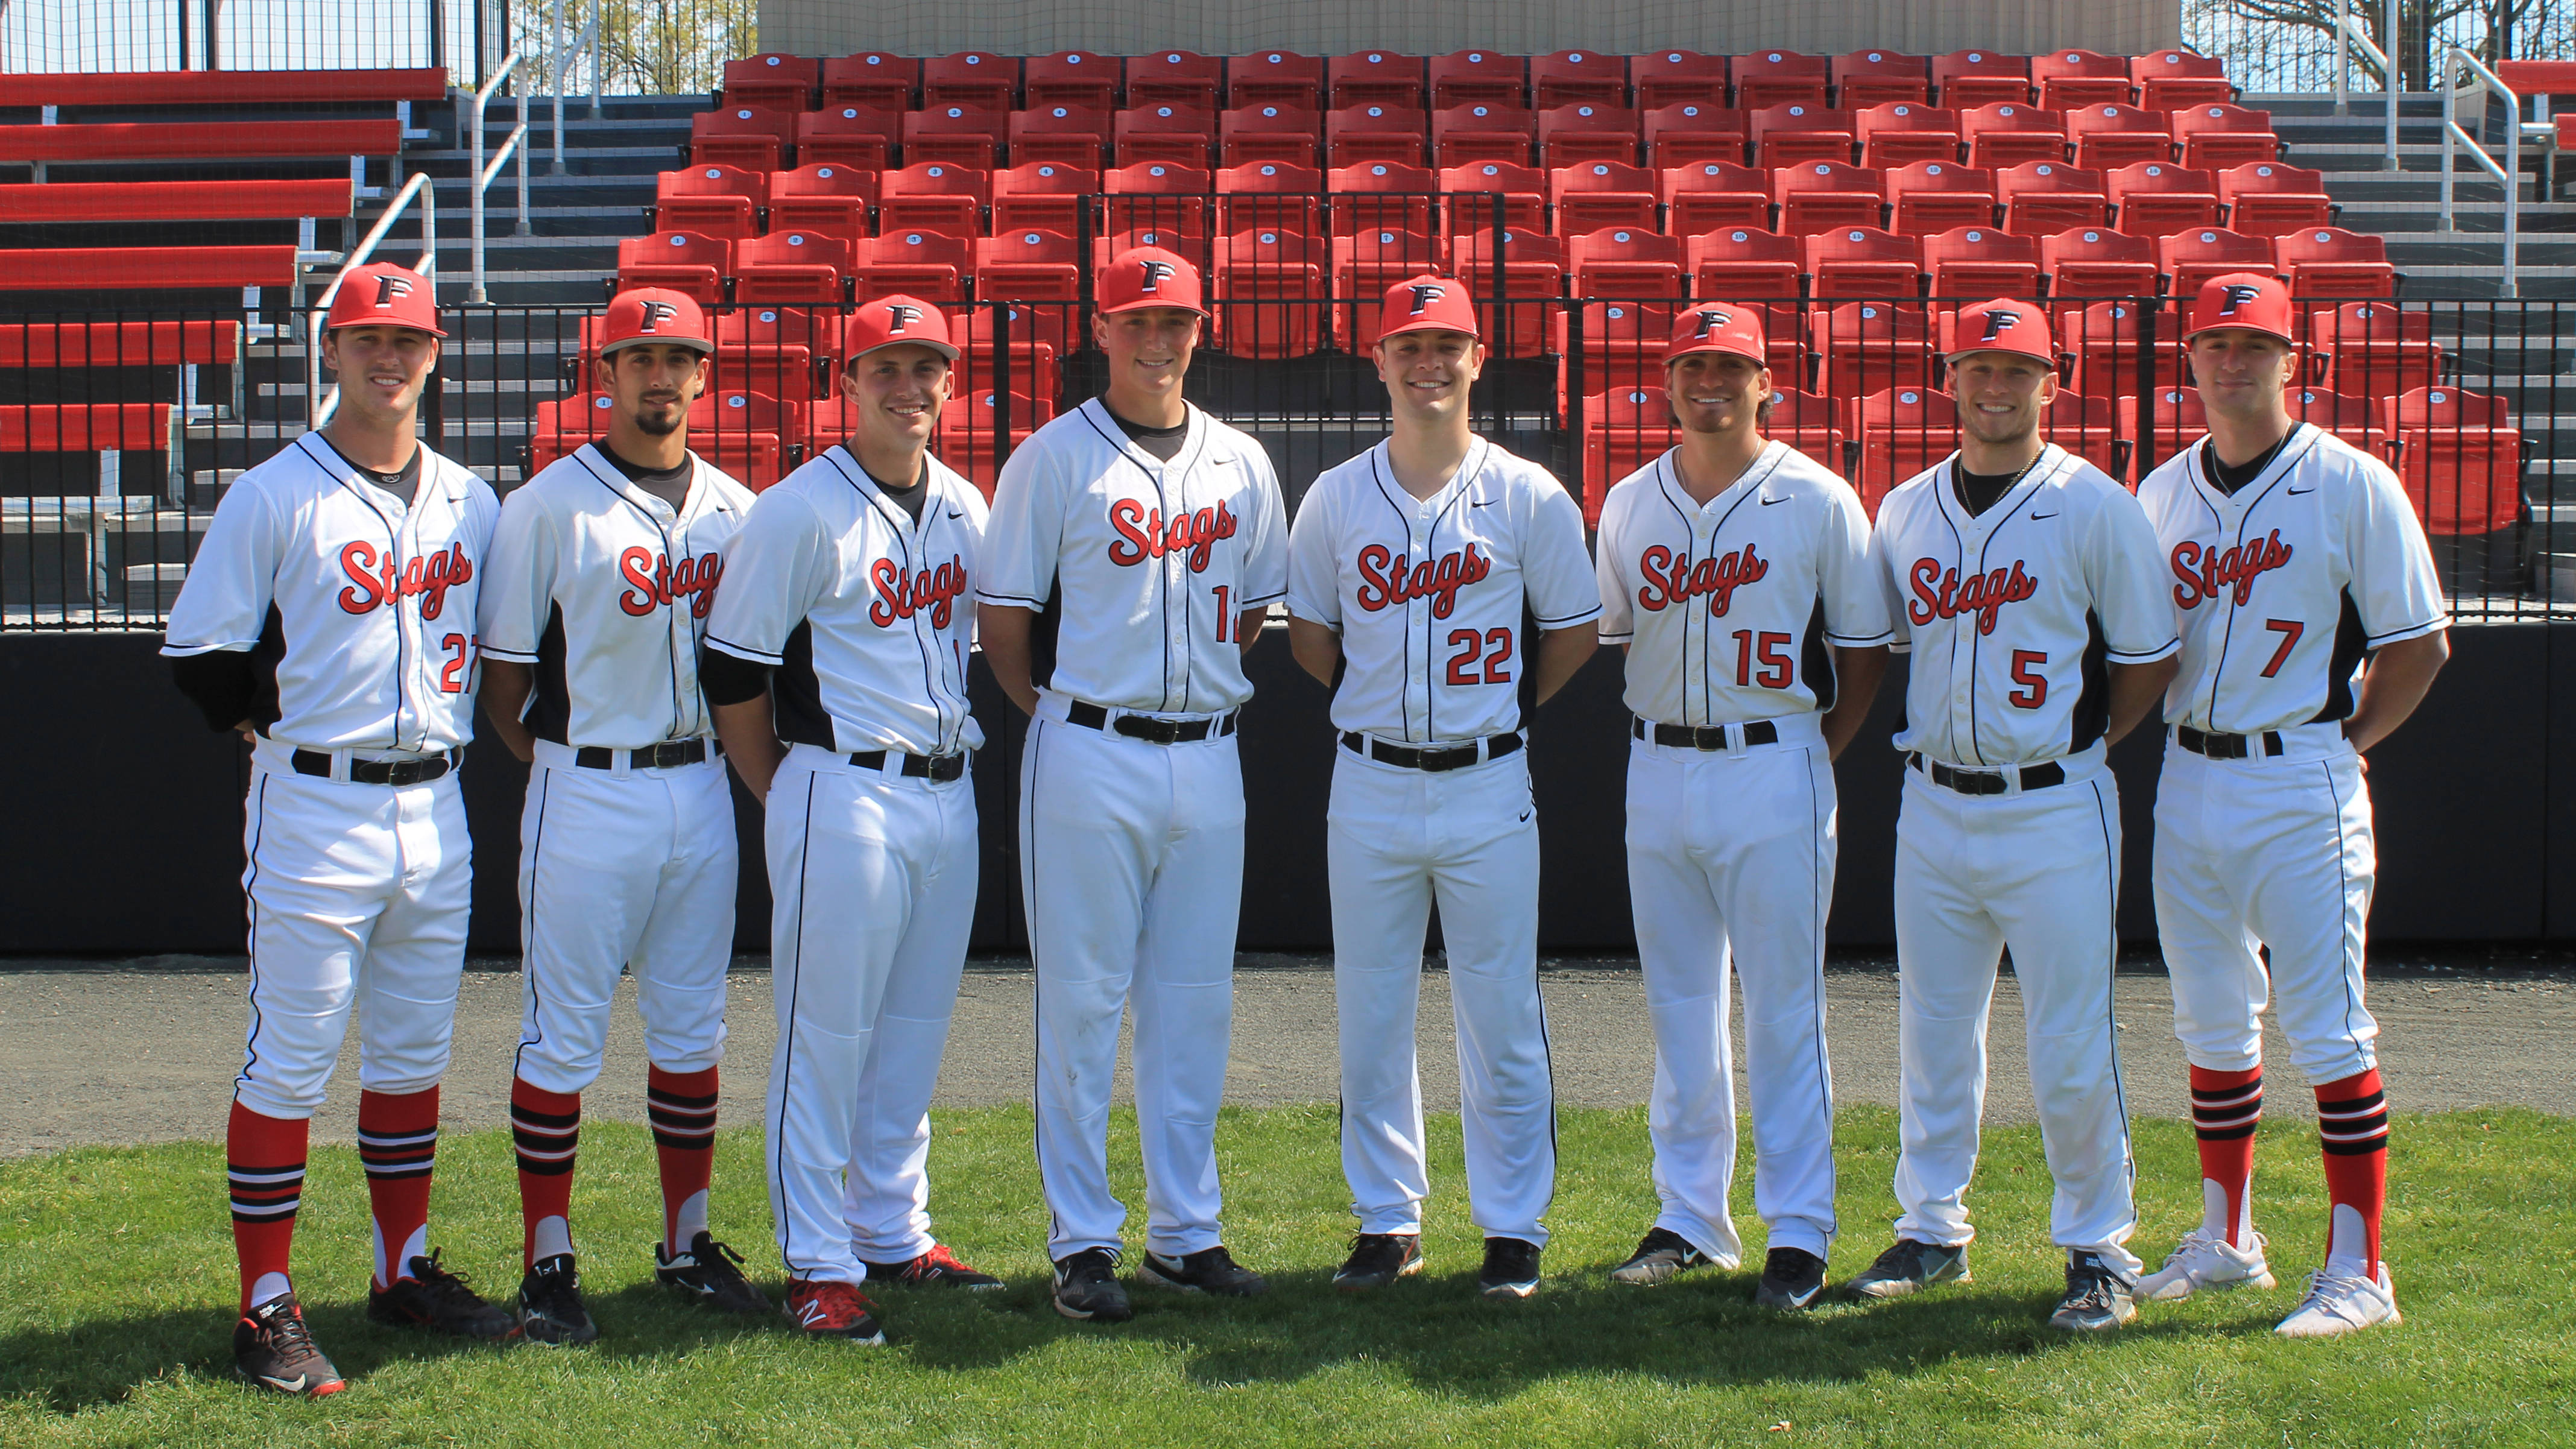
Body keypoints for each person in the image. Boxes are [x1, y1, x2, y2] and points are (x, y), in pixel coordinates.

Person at [162, 261, 510, 1395]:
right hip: (316, 801)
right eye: (368, 339)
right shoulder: (276, 491)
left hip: (437, 803)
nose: (388, 358)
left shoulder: (474, 497)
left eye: (407, 341)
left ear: (436, 354)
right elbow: (204, 655)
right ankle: (264, 1307)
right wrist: (271, 734)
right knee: (293, 1061)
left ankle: (399, 1271)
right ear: (333, 353)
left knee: (413, 1056)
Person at [1846, 298, 2180, 1333]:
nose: (1995, 388)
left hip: (2052, 806)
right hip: (1934, 802)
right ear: (1949, 377)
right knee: (1934, 1030)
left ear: (2053, 381)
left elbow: (2147, 658)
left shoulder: (2095, 504)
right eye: (1978, 369)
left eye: (2017, 371)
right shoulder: (1903, 507)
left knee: (2070, 1037)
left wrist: (2080, 751)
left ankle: (2098, 1247)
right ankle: (1932, 1229)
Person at [2130, 273, 2449, 1337]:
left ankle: (2362, 1272)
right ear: (2191, 363)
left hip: (2298, 774)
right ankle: (2230, 1242)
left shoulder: (2352, 481)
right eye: (2216, 345)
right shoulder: (2163, 490)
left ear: (2291, 363)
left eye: (2254, 345)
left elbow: (2419, 644)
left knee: (2327, 1029)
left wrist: (2344, 741)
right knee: (2212, 1019)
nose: (2233, 363)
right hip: (2190, 774)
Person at [974, 247, 1288, 1323]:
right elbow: (1006, 626)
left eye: (1176, 322)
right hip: (1089, 748)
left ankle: (1186, 1234)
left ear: (1201, 330)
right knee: (1082, 1004)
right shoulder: (1051, 458)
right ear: (1099, 328)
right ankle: (1082, 1243)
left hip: (1209, 750)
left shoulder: (1244, 461)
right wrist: (1062, 717)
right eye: (1136, 320)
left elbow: (1252, 611)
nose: (1157, 340)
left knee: (1193, 1005)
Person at [1283, 276, 1600, 1300]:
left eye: (1447, 346)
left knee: (1500, 1014)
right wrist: (1375, 696)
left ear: (1477, 360)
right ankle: (1388, 1223)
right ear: (1377, 361)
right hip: (1369, 778)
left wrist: (1500, 712)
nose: (1428, 365)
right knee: (1371, 1013)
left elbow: (1573, 631)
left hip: (1485, 782)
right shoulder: (1335, 495)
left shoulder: (1527, 492)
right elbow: (1310, 633)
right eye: (1408, 346)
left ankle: (1513, 1228)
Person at [701, 295, 1000, 1345]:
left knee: (911, 1032)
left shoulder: (967, 504)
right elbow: (732, 665)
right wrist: (778, 783)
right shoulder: (796, 509)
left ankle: (893, 1229)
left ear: (949, 384)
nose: (908, 388)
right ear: (848, 381)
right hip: (843, 782)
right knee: (824, 1038)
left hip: (944, 790)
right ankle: (819, 1261)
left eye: (927, 368)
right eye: (887, 368)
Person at [476, 286, 768, 1343]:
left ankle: (685, 1242)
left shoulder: (739, 509)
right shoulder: (545, 507)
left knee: (693, 1026)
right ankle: (547, 1260)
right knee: (564, 1038)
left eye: (677, 357)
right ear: (605, 374)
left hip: (699, 784)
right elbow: (503, 686)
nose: (658, 375)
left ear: (703, 375)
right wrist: (562, 763)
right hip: (587, 784)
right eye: (638, 357)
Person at [1591, 304, 1891, 1309]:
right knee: (1680, 1007)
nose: (1710, 383)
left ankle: (1799, 1229)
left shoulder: (1817, 496)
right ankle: (1689, 1216)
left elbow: (1860, 655)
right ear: (1668, 382)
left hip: (1775, 760)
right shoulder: (1632, 501)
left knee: (1784, 1008)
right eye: (1692, 367)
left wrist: (1807, 751)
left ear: (1769, 382)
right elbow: (1620, 633)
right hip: (1660, 766)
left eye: (1731, 367)